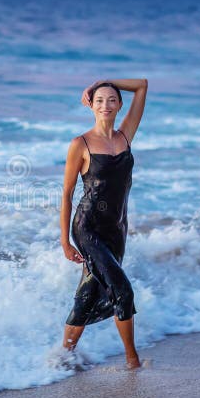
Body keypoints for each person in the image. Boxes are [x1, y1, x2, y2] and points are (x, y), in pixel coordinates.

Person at [60, 78, 148, 370]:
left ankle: (63, 357)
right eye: (99, 100)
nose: (106, 105)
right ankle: (132, 361)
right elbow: (67, 194)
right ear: (91, 105)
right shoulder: (80, 144)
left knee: (88, 295)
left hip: (117, 231)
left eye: (111, 100)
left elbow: (142, 85)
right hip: (88, 228)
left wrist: (99, 82)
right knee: (122, 290)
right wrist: (65, 241)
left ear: (120, 105)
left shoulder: (125, 137)